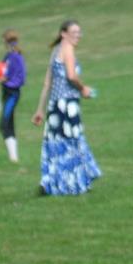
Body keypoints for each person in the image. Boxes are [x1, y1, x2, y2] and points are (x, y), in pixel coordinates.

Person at [31, 19, 101, 197]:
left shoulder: (55, 51)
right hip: (67, 104)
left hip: (54, 106)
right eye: (74, 32)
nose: (78, 36)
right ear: (63, 33)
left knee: (56, 144)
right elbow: (71, 76)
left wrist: (40, 109)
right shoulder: (68, 50)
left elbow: (47, 83)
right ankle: (74, 183)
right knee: (72, 142)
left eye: (79, 33)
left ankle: (52, 183)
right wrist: (83, 88)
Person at [0, 29, 25, 163]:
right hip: (7, 92)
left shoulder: (15, 57)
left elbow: (7, 75)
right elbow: (1, 72)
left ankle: (14, 157)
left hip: (13, 94)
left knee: (4, 124)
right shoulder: (8, 56)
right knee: (8, 123)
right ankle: (13, 157)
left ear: (7, 41)